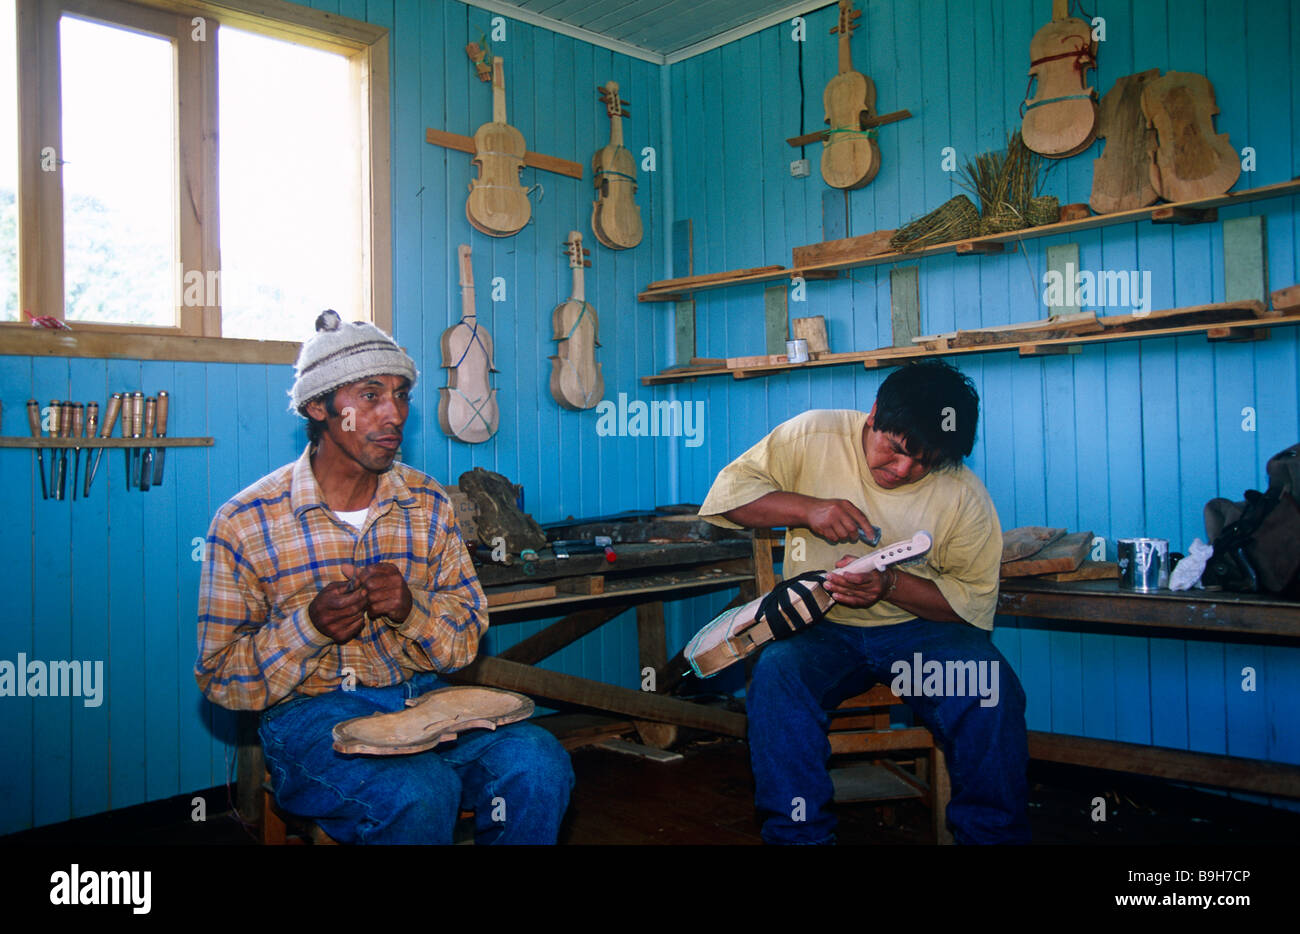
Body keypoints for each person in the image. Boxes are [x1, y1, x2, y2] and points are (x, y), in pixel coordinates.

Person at [195, 310, 572, 844]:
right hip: (309, 717)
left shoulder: (426, 502)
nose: (394, 414)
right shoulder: (246, 522)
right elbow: (220, 679)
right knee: (419, 791)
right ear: (317, 407)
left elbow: (465, 642)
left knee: (539, 762)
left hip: (420, 701)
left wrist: (410, 609)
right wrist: (309, 627)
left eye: (401, 395)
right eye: (370, 396)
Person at [698, 360, 1029, 844]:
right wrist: (807, 509)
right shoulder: (811, 436)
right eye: (895, 450)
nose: (903, 470)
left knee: (987, 686)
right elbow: (726, 499)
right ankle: (799, 838)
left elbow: (971, 607)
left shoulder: (964, 495)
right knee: (776, 674)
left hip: (919, 634)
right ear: (873, 415)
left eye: (925, 461)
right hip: (822, 629)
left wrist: (890, 586)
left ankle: (992, 838)